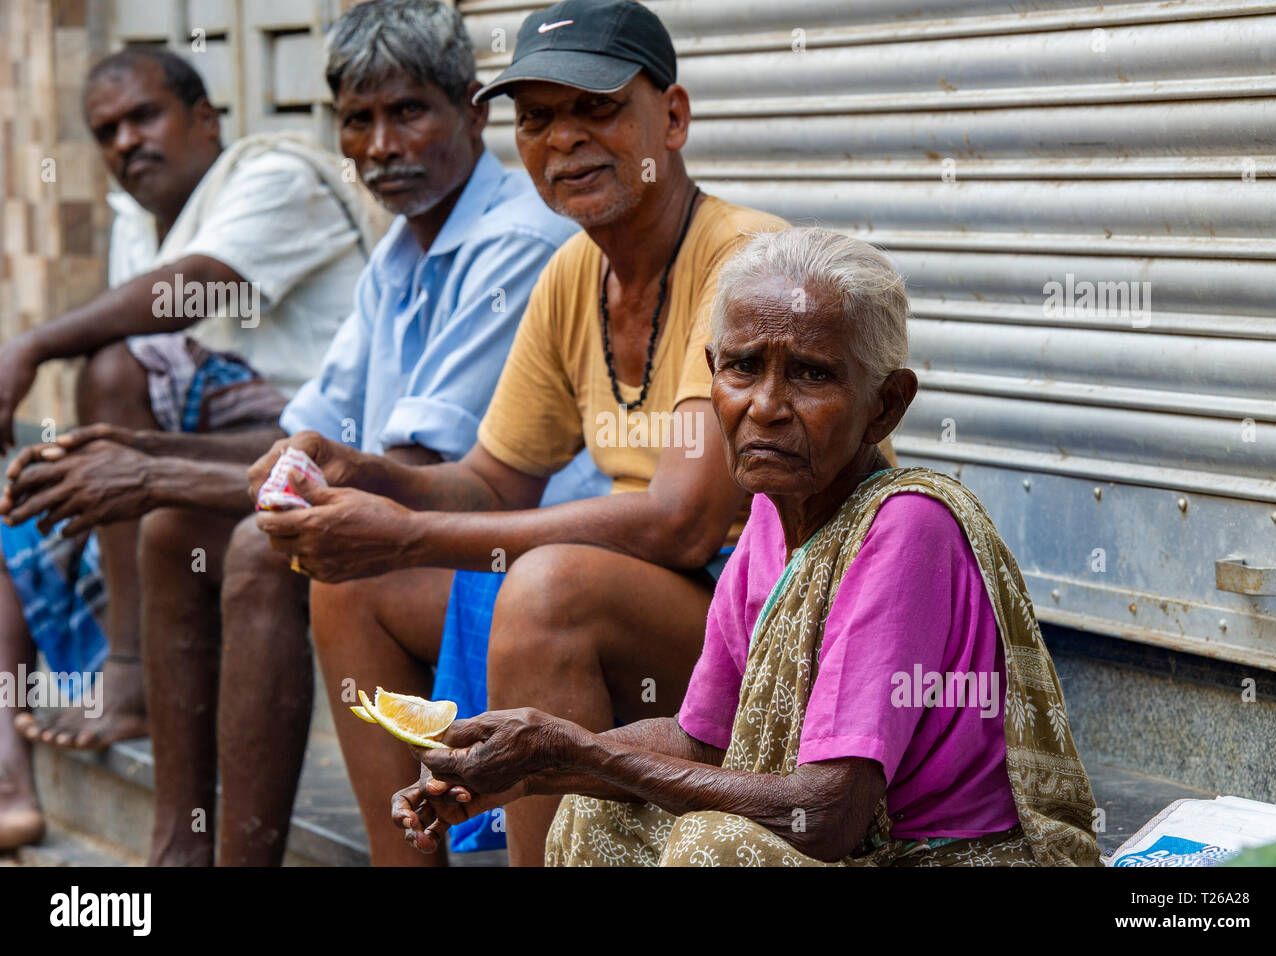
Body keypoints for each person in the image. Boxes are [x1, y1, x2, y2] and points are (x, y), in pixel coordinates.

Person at [250, 0, 802, 866]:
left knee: (547, 591)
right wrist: (362, 474)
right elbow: (493, 482)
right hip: (658, 596)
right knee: (353, 585)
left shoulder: (745, 260)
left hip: (774, 615)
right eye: (538, 119)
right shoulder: (571, 273)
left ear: (675, 116)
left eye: (597, 108)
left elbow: (682, 521)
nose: (564, 140)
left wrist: (411, 531)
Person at [390, 227, 1103, 867]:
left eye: (812, 374)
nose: (766, 405)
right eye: (743, 367)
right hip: (858, 846)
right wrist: (513, 771)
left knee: (717, 847)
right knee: (596, 813)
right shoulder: (772, 515)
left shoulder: (907, 528)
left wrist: (571, 749)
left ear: (885, 404)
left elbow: (826, 814)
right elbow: (703, 739)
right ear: (712, 375)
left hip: (942, 857)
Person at [0, 47, 367, 850]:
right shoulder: (135, 220)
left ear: (206, 120)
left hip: (313, 443)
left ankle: (126, 665)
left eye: (145, 116)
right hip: (202, 452)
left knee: (109, 365)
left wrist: (28, 346)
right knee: (18, 509)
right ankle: (9, 776)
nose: (127, 141)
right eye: (106, 130)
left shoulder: (276, 175)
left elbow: (186, 292)